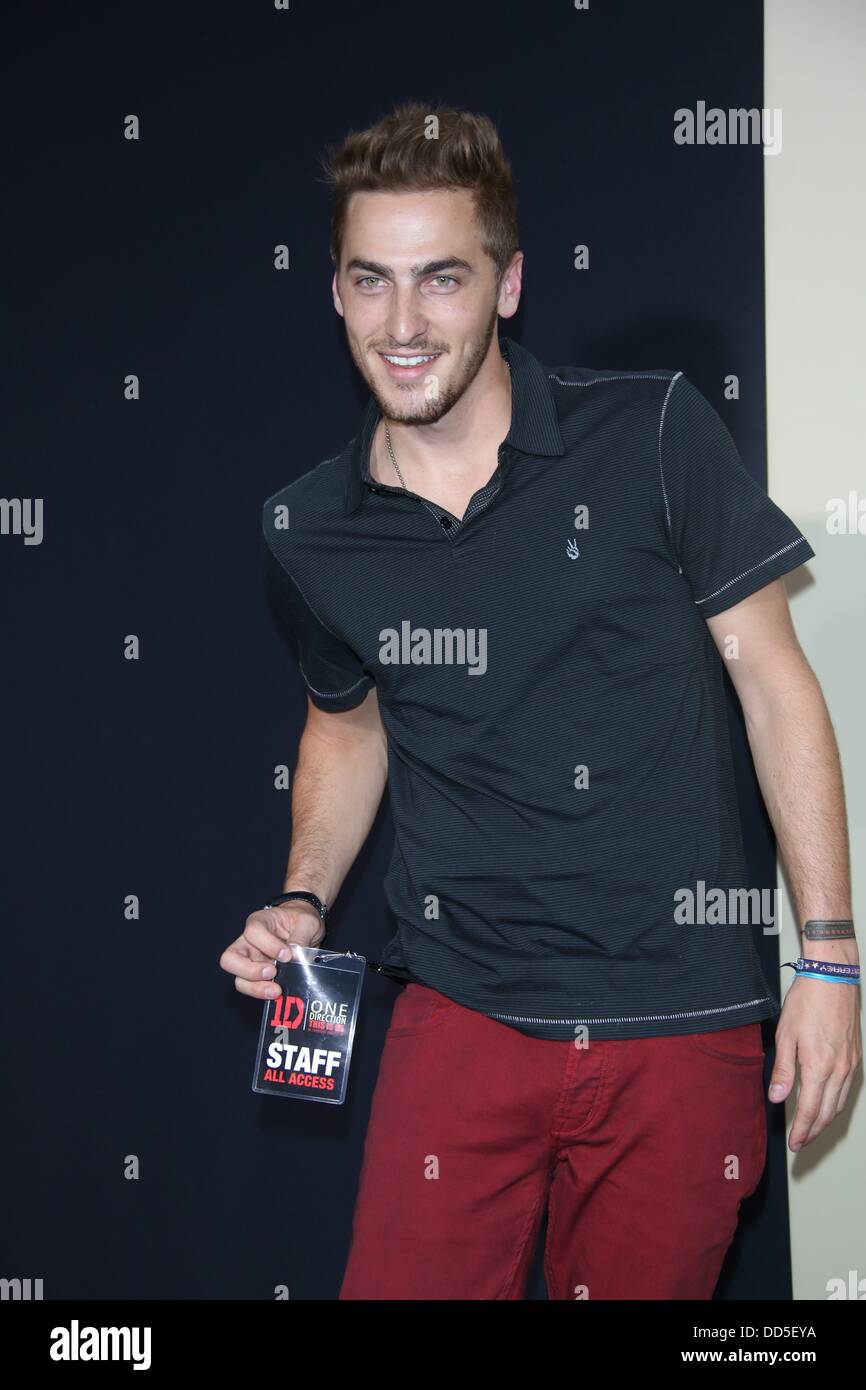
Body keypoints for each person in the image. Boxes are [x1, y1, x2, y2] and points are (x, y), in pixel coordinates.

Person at [219, 101, 861, 1300]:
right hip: (459, 1017)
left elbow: (776, 687)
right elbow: (345, 722)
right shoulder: (307, 527)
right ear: (336, 294)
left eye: (441, 279)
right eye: (371, 281)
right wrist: (305, 894)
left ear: (507, 286)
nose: (403, 324)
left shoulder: (655, 432)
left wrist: (826, 962)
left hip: (680, 1026)